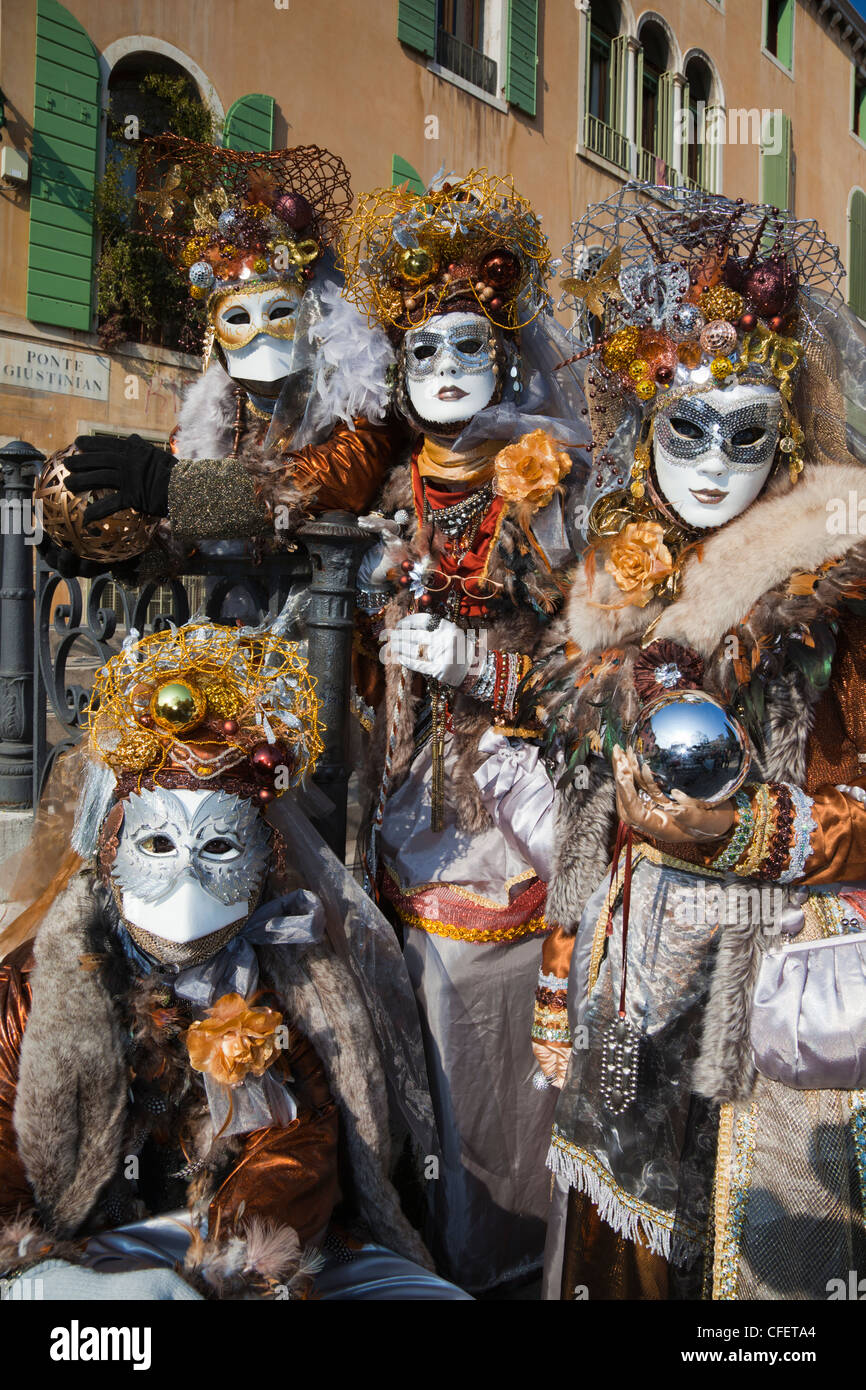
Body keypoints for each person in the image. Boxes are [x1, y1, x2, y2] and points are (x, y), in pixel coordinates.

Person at [503, 184, 866, 1300]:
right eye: (684, 426)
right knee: (618, 1252)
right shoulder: (604, 590)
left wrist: (756, 827)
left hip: (761, 1006)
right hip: (626, 993)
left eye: (743, 428)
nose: (711, 460)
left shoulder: (837, 596)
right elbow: (580, 825)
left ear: (786, 432)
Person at [0, 619, 468, 1300]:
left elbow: (295, 1149)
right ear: (112, 847)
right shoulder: (38, 989)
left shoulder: (283, 984)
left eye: (218, 846)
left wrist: (232, 1267)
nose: (186, 872)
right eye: (157, 844)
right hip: (77, 1244)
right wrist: (32, 1260)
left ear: (264, 859)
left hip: (241, 1253)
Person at [336, 170, 590, 1293]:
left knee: (486, 1039)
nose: (443, 374)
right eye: (421, 354)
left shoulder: (544, 490)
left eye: (467, 351)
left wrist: (478, 663)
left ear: (507, 360)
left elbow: (593, 678)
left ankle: (505, 1258)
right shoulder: (389, 491)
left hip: (507, 820)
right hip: (392, 803)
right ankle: (426, 1252)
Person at [40, 136, 401, 583]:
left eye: (281, 311)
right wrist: (116, 549)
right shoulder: (206, 421)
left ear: (313, 314)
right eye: (237, 316)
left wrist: (177, 487)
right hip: (238, 622)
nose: (260, 330)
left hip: (327, 629)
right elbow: (183, 537)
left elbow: (343, 478)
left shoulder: (357, 402)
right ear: (216, 331)